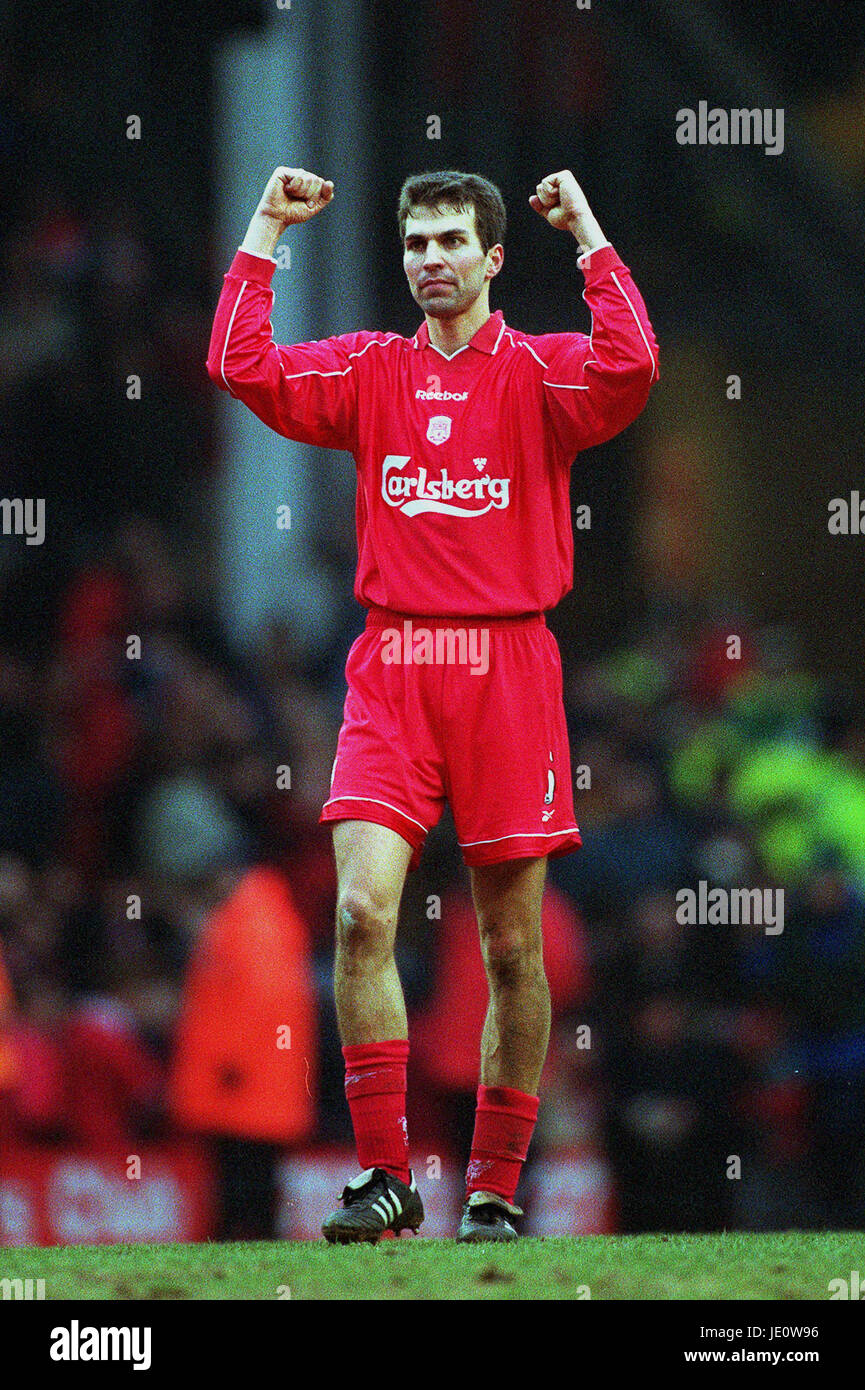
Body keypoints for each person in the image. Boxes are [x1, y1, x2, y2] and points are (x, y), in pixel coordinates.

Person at [206, 165, 659, 1242]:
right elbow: (239, 364)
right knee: (362, 910)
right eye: (416, 243)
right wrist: (267, 224)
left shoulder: (543, 374)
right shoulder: (371, 370)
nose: (432, 260)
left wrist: (588, 228)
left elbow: (633, 362)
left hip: (507, 668)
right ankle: (382, 1177)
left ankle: (496, 1190)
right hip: (393, 666)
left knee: (510, 949)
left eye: (452, 241)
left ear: (493, 258)